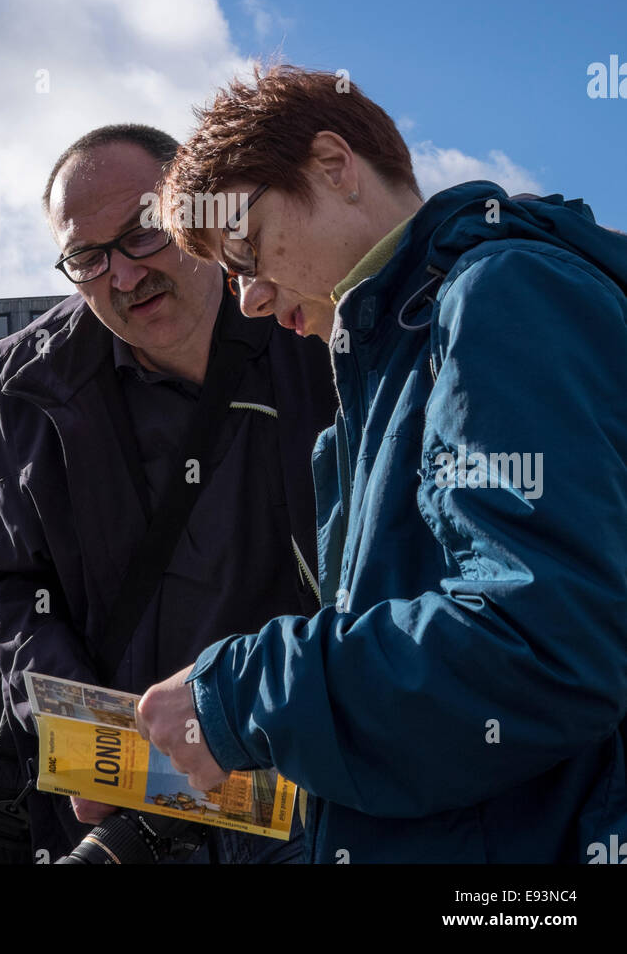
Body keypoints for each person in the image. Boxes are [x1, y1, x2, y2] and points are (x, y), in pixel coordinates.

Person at [137, 63, 627, 865]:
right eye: (230, 279)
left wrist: (240, 692)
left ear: (334, 166)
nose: (250, 299)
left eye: (246, 249)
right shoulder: (380, 387)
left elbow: (541, 649)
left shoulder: (500, 295)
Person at [0, 122, 335, 864]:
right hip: (146, 802)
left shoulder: (305, 316)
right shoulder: (25, 380)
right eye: (87, 258)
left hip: (313, 774)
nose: (123, 276)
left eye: (142, 234)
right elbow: (3, 574)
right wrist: (82, 731)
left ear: (194, 213)